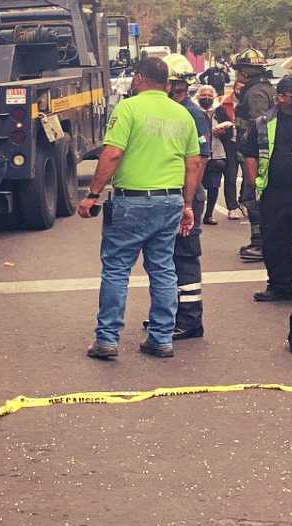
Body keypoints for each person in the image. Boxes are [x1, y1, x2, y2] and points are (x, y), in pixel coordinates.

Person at [79, 56, 202, 360]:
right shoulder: (182, 114)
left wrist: (92, 194)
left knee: (117, 269)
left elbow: (112, 154)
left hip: (132, 202)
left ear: (138, 79)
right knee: (162, 268)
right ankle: (161, 339)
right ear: (167, 83)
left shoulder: (128, 108)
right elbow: (194, 163)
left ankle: (107, 339)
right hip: (170, 201)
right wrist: (187, 205)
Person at [242, 75, 292, 311]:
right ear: (282, 98)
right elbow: (249, 152)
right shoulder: (262, 123)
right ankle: (281, 286)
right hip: (274, 193)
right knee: (276, 242)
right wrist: (254, 182)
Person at [163, 55, 210, 338]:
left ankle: (190, 320)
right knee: (170, 258)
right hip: (178, 194)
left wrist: (187, 200)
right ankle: (173, 314)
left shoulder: (192, 114)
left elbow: (200, 161)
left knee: (185, 257)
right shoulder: (176, 113)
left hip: (187, 195)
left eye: (175, 86)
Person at [233, 48, 276, 262]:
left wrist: (254, 157)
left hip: (256, 156)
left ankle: (260, 244)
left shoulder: (256, 93)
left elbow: (260, 127)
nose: (237, 74)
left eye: (240, 70)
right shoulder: (260, 89)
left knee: (253, 197)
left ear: (247, 72)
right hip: (256, 154)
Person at [197, 85, 227, 225]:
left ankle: (209, 215)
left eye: (209, 95)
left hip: (217, 154)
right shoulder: (195, 112)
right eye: (203, 96)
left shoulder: (220, 111)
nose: (207, 98)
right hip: (198, 155)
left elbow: (231, 132)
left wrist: (223, 131)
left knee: (214, 186)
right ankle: (195, 212)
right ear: (198, 97)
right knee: (196, 185)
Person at [216, 85, 242, 220]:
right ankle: (232, 206)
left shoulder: (248, 103)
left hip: (245, 144)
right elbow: (218, 124)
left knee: (250, 177)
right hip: (230, 144)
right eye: (238, 87)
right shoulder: (223, 105)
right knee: (231, 176)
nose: (240, 89)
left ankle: (244, 201)